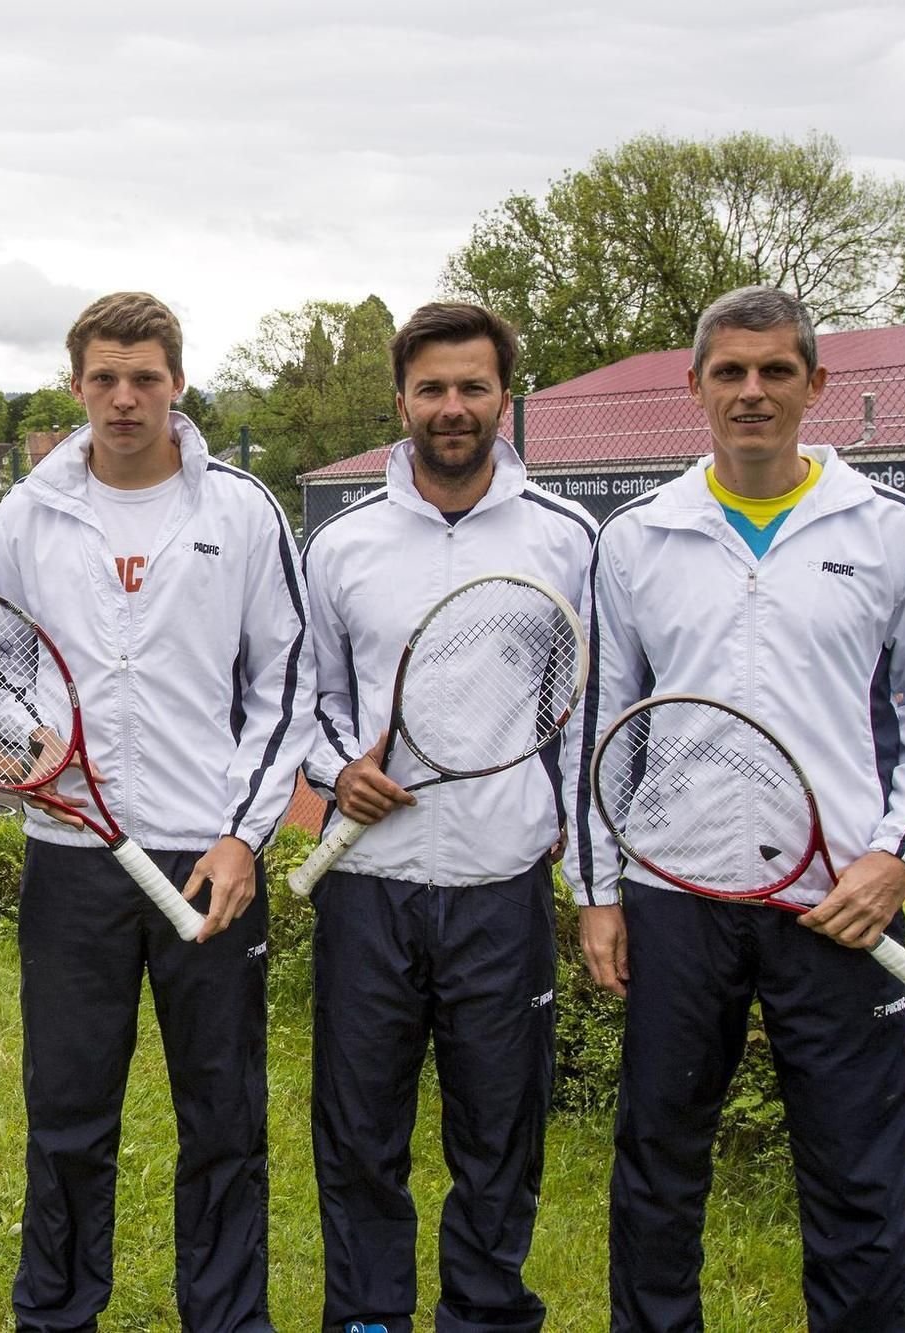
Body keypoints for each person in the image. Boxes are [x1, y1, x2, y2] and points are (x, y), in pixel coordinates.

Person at [562, 285, 905, 1332]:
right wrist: (596, 891)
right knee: (657, 1170)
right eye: (728, 372)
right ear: (695, 387)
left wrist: (893, 856)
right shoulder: (635, 539)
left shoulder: (893, 530)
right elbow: (600, 722)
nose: (749, 391)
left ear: (814, 384)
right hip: (674, 897)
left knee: (856, 1182)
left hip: (838, 908)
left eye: (771, 371)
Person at [0, 291, 311, 1332]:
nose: (124, 398)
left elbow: (282, 686)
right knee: (67, 1116)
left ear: (175, 383)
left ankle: (222, 1317)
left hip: (202, 861)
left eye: (144, 378)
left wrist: (241, 836)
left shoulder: (241, 511)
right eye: (103, 379)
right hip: (70, 856)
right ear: (76, 385)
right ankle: (57, 1311)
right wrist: (23, 735)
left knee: (221, 1116)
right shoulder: (26, 513)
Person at [299, 302, 595, 1333]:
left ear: (502, 398)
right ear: (401, 402)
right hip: (367, 890)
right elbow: (310, 702)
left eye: (472, 387)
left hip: (497, 889)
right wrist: (339, 770)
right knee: (357, 1134)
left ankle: (483, 1313)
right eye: (431, 389)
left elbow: (580, 711)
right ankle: (367, 1319)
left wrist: (569, 854)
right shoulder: (339, 546)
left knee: (497, 1136)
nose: (452, 407)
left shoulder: (566, 540)